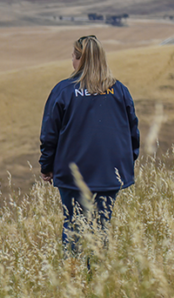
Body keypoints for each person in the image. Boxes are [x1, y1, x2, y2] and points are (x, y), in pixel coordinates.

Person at [39, 35, 140, 255]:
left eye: (74, 58)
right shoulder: (119, 91)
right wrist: (126, 162)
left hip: (72, 174)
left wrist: (47, 166)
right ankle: (97, 278)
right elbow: (133, 132)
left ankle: (73, 279)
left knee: (73, 225)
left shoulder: (64, 90)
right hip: (109, 173)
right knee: (101, 227)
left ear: (78, 60)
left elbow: (49, 134)